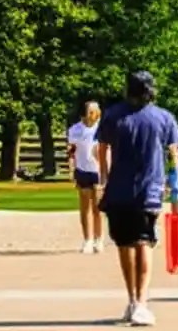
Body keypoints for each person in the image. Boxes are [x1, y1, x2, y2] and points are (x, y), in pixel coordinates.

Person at [96, 71, 178, 327]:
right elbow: (173, 155)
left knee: (125, 245)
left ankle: (133, 299)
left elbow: (102, 148)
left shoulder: (113, 115)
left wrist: (104, 178)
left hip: (119, 189)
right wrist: (176, 190)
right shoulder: (164, 118)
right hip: (150, 190)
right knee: (144, 243)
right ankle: (141, 302)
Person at [68, 101, 104, 254]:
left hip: (97, 171)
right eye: (91, 111)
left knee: (97, 206)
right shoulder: (75, 130)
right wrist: (71, 169)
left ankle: (98, 238)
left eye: (96, 111)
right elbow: (71, 150)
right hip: (82, 169)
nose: (94, 114)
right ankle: (87, 239)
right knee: (85, 206)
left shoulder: (101, 129)